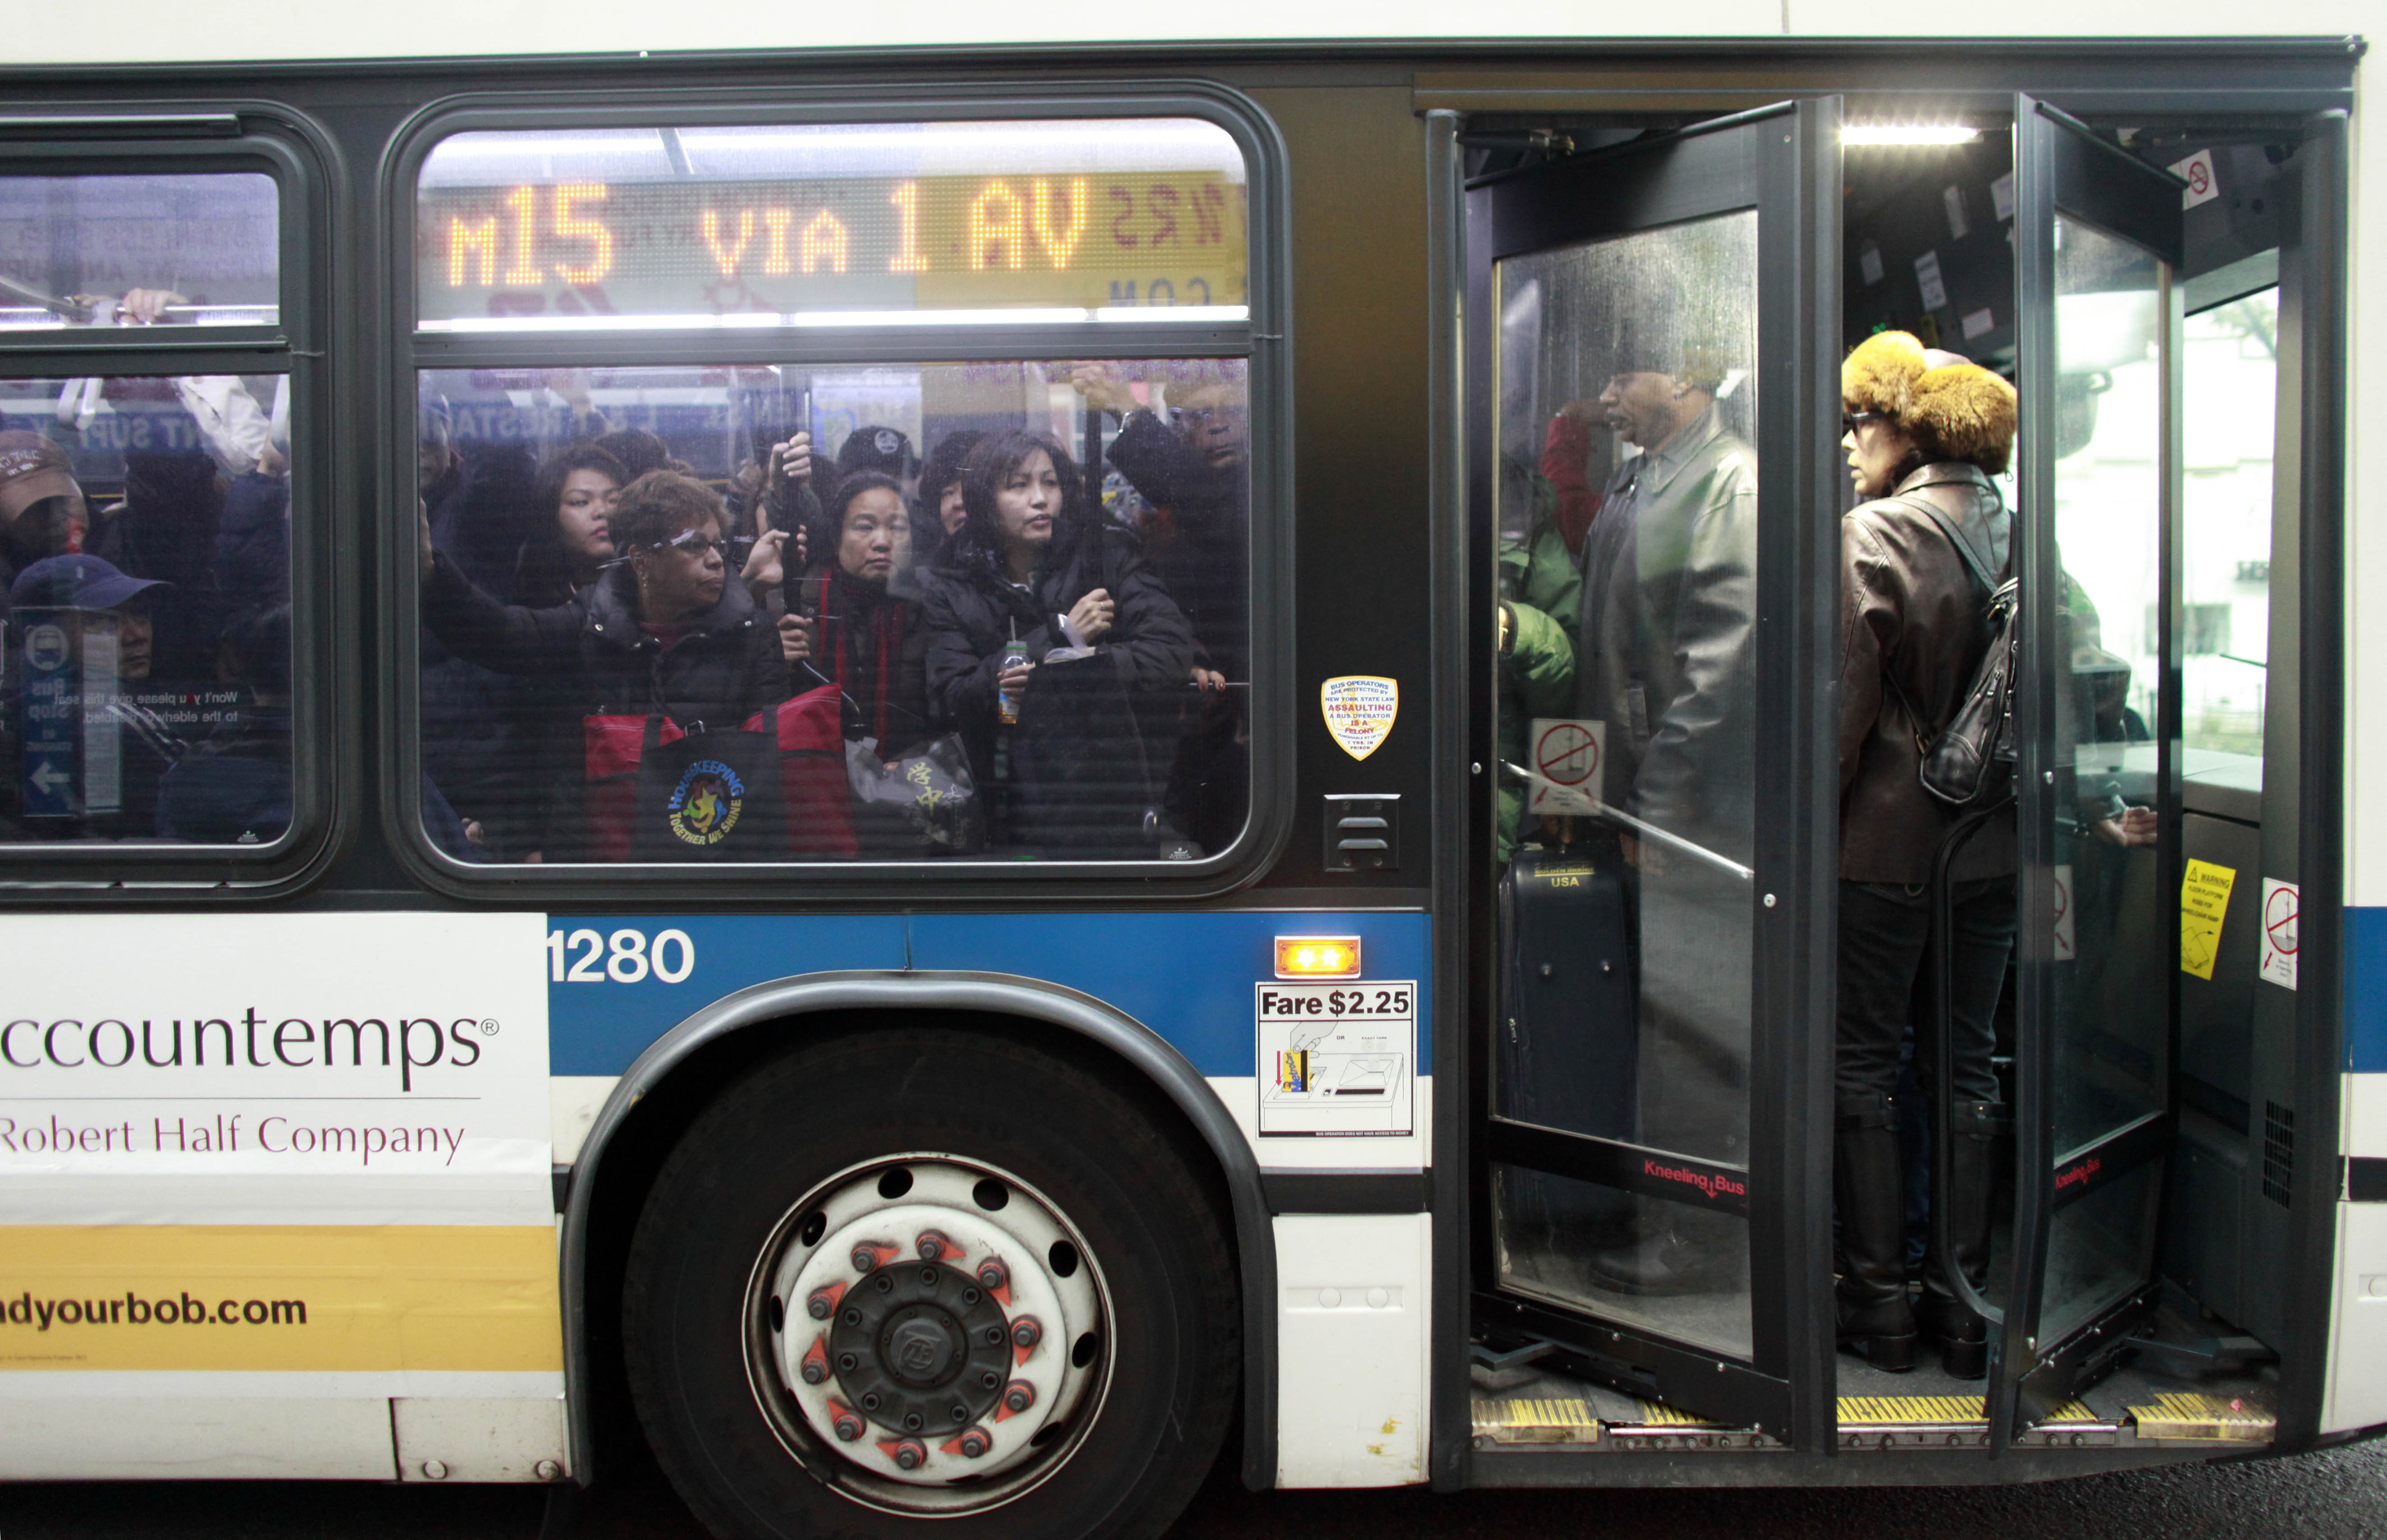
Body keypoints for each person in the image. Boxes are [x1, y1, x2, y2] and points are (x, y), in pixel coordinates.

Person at [1832, 330, 2021, 1376]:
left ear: (1905, 430)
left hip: (1882, 845)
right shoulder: (2031, 532)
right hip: (1992, 849)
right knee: (1966, 1064)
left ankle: (1879, 1306)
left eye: (1861, 419)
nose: (1853, 438)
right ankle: (1964, 1305)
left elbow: (1841, 716)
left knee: (1864, 1061)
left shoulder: (1876, 535)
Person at [416, 468, 798, 862]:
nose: (717, 560)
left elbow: (770, 765)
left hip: (711, 852)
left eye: (718, 545)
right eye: (694, 546)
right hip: (599, 860)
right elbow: (500, 636)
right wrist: (431, 571)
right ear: (641, 560)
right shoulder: (592, 624)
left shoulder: (751, 632)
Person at [921, 431, 1194, 854]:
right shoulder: (949, 580)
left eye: (1050, 483)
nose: (1040, 499)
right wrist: (1060, 633)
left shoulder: (1106, 555)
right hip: (1001, 794)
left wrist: (1061, 671)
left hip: (1105, 784)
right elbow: (951, 696)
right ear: (983, 500)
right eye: (1019, 485)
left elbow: (1169, 651)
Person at [788, 472, 931, 753]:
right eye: (865, 527)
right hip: (816, 770)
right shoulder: (796, 608)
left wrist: (910, 763)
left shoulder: (929, 609)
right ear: (837, 537)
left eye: (898, 528)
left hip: (905, 775)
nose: (882, 541)